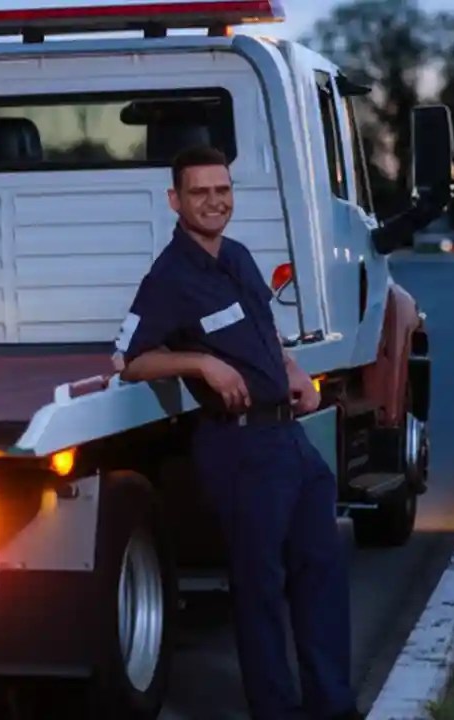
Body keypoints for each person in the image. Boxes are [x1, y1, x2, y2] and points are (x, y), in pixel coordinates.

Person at [114, 145, 362, 720]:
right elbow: (129, 358)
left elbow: (264, 330)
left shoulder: (241, 258)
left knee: (321, 574)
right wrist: (201, 365)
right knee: (261, 590)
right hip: (238, 447)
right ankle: (277, 712)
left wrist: (294, 370)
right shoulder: (170, 278)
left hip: (288, 441)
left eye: (222, 189)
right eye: (200, 192)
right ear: (176, 201)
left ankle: (333, 707)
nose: (214, 201)